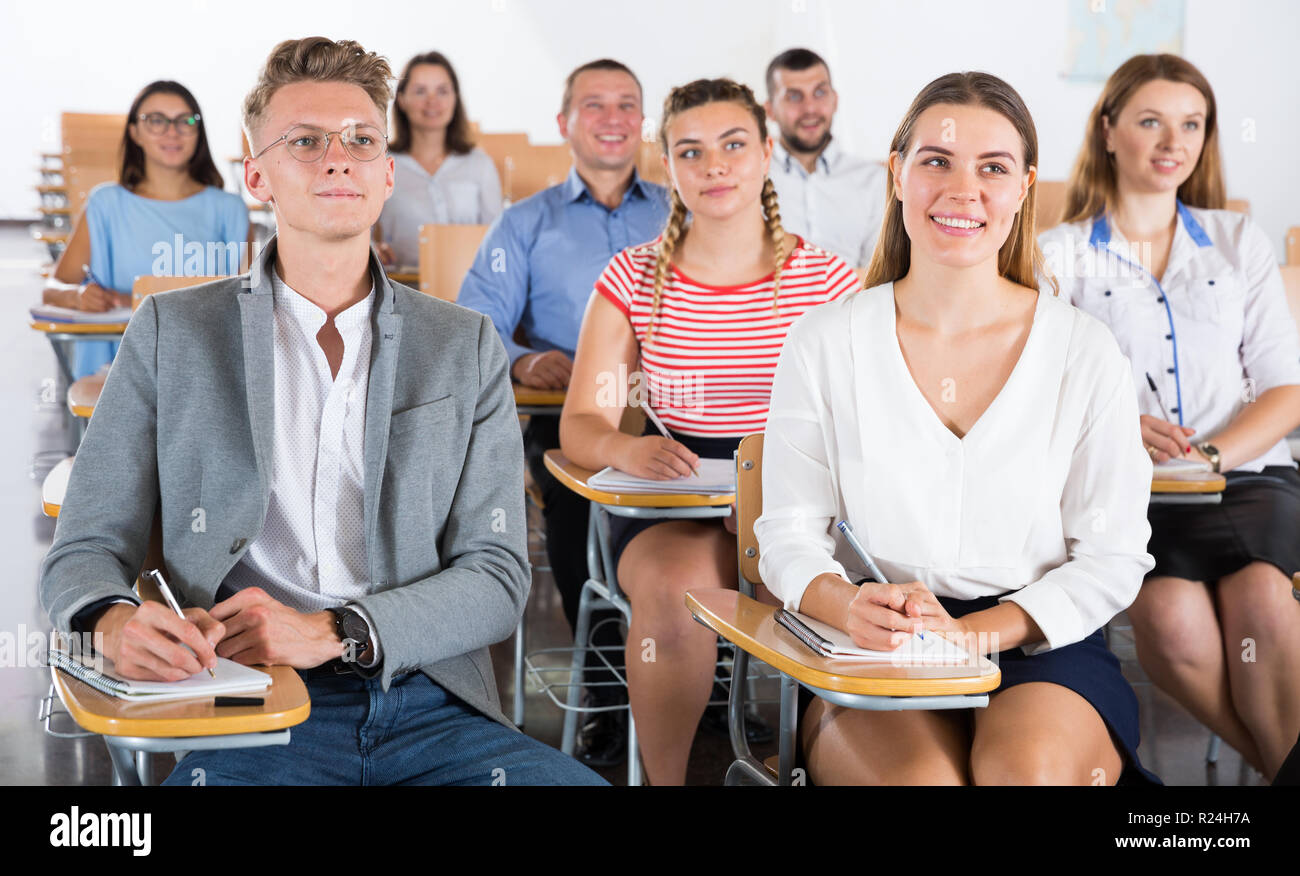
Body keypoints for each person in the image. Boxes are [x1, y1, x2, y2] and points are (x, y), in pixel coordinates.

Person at [39, 36, 602, 787]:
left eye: (361, 140)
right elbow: (84, 542)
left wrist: (334, 632)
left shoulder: (463, 345)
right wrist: (111, 623)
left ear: (387, 173)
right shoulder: (172, 332)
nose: (337, 158)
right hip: (254, 706)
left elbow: (498, 575)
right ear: (258, 176)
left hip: (430, 699)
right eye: (305, 141)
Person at [755, 71, 1160, 785]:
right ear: (898, 173)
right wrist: (848, 605)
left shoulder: (1083, 349)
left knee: (1021, 775)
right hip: (872, 642)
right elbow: (786, 537)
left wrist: (977, 632)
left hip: (1037, 641)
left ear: (1025, 186)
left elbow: (1113, 554)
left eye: (993, 168)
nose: (962, 189)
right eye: (936, 160)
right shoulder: (823, 341)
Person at [560, 78, 859, 785]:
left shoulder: (826, 281)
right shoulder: (632, 277)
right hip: (677, 504)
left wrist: (775, 504)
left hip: (799, 504)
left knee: (853, 580)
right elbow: (582, 420)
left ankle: (813, 759)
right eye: (691, 152)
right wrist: (624, 446)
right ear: (667, 165)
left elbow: (863, 430)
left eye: (733, 146)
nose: (714, 166)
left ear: (766, 154)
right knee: (672, 588)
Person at [1040, 53, 1300, 780]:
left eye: (1191, 124)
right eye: (1150, 120)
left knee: (1265, 607)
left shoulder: (1236, 241)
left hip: (1244, 480)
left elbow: (1286, 388)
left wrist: (1210, 457)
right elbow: (1045, 399)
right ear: (1109, 130)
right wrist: (1121, 429)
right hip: (1132, 495)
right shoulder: (1057, 257)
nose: (1171, 141)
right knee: (1173, 629)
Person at [457, 59, 669, 766]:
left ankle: (709, 681)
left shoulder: (684, 212)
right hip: (575, 414)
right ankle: (610, 696)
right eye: (594, 105)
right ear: (564, 124)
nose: (613, 118)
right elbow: (474, 320)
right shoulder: (525, 222)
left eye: (627, 105)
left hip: (682, 415)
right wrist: (520, 360)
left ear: (645, 123)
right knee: (589, 530)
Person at [43, 81, 249, 379]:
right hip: (120, 369)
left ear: (198, 131)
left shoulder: (230, 210)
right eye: (156, 120)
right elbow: (53, 288)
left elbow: (246, 300)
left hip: (205, 371)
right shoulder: (105, 204)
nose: (172, 132)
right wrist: (77, 297)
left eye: (185, 121)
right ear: (134, 132)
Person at [373, 51, 502, 268]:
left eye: (442, 91)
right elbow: (359, 234)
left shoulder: (479, 164)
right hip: (403, 289)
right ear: (402, 100)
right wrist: (372, 249)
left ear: (455, 98)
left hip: (466, 292)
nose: (432, 101)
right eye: (420, 91)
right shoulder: (381, 164)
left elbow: (498, 238)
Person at [764, 47, 885, 277]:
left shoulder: (873, 182)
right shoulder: (751, 180)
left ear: (835, 100)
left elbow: (880, 275)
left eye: (819, 93)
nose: (810, 109)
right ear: (769, 110)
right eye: (794, 97)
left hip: (852, 307)